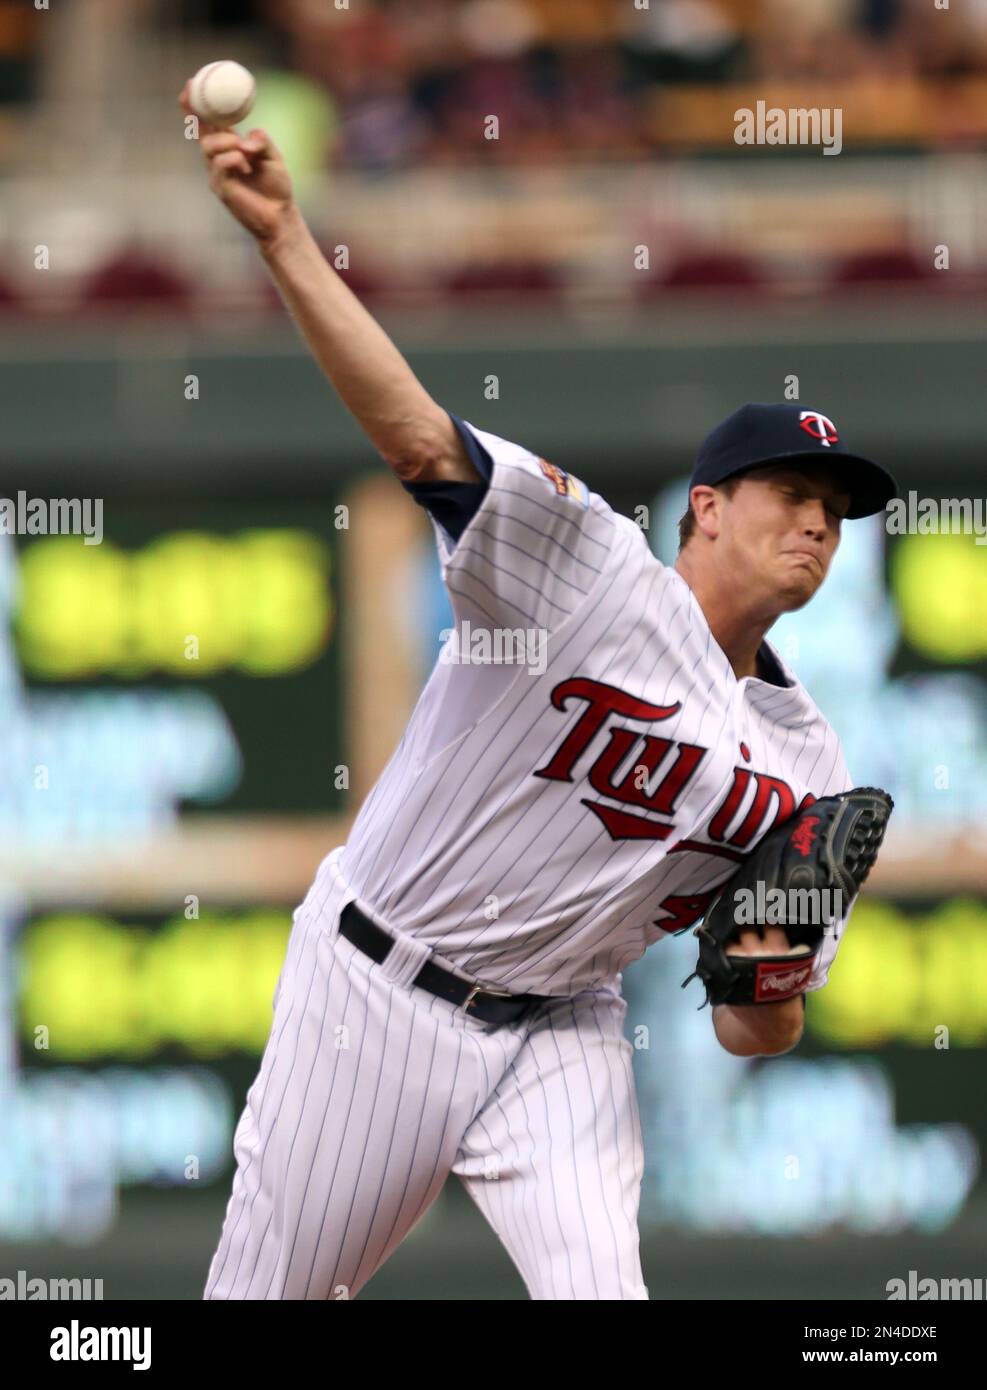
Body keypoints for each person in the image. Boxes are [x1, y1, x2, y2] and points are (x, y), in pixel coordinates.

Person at [185, 95, 897, 1301]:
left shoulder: (810, 763)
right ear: (708, 506)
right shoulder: (592, 569)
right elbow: (418, 440)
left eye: (836, 506)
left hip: (565, 1021)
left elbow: (750, 1031)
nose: (820, 519)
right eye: (791, 488)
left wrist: (768, 969)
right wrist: (285, 240)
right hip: (380, 987)